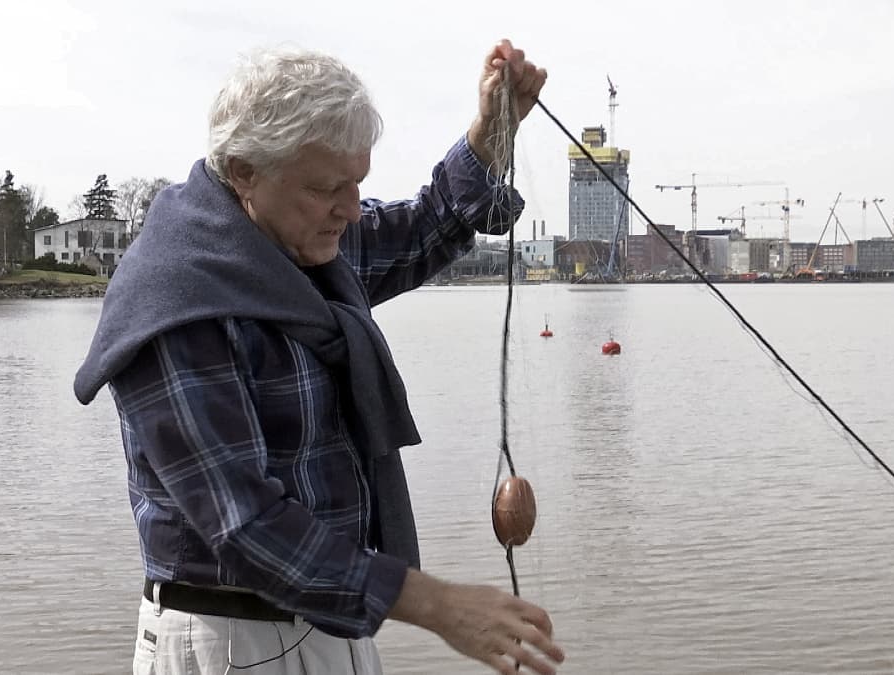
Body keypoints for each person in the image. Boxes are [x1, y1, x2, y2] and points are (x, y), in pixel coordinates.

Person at [73, 39, 563, 675]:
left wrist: (492, 130)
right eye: (326, 187)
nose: (351, 209)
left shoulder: (299, 242)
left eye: (357, 182)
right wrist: (439, 605)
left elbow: (429, 223)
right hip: (229, 641)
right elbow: (248, 528)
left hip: (333, 619)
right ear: (245, 170)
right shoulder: (175, 302)